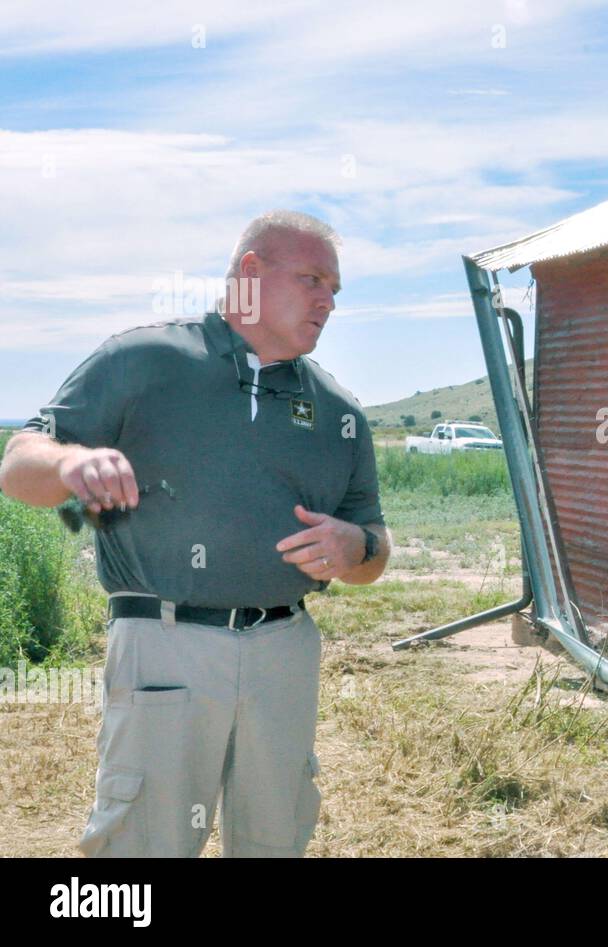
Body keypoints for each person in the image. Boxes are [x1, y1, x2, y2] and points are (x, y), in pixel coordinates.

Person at [0, 209, 391, 857]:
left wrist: (356, 548)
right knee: (143, 847)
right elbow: (19, 463)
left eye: (335, 289)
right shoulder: (146, 359)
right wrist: (71, 462)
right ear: (250, 272)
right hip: (165, 646)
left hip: (284, 651)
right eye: (313, 279)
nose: (328, 300)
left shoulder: (338, 412)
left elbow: (376, 542)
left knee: (274, 838)